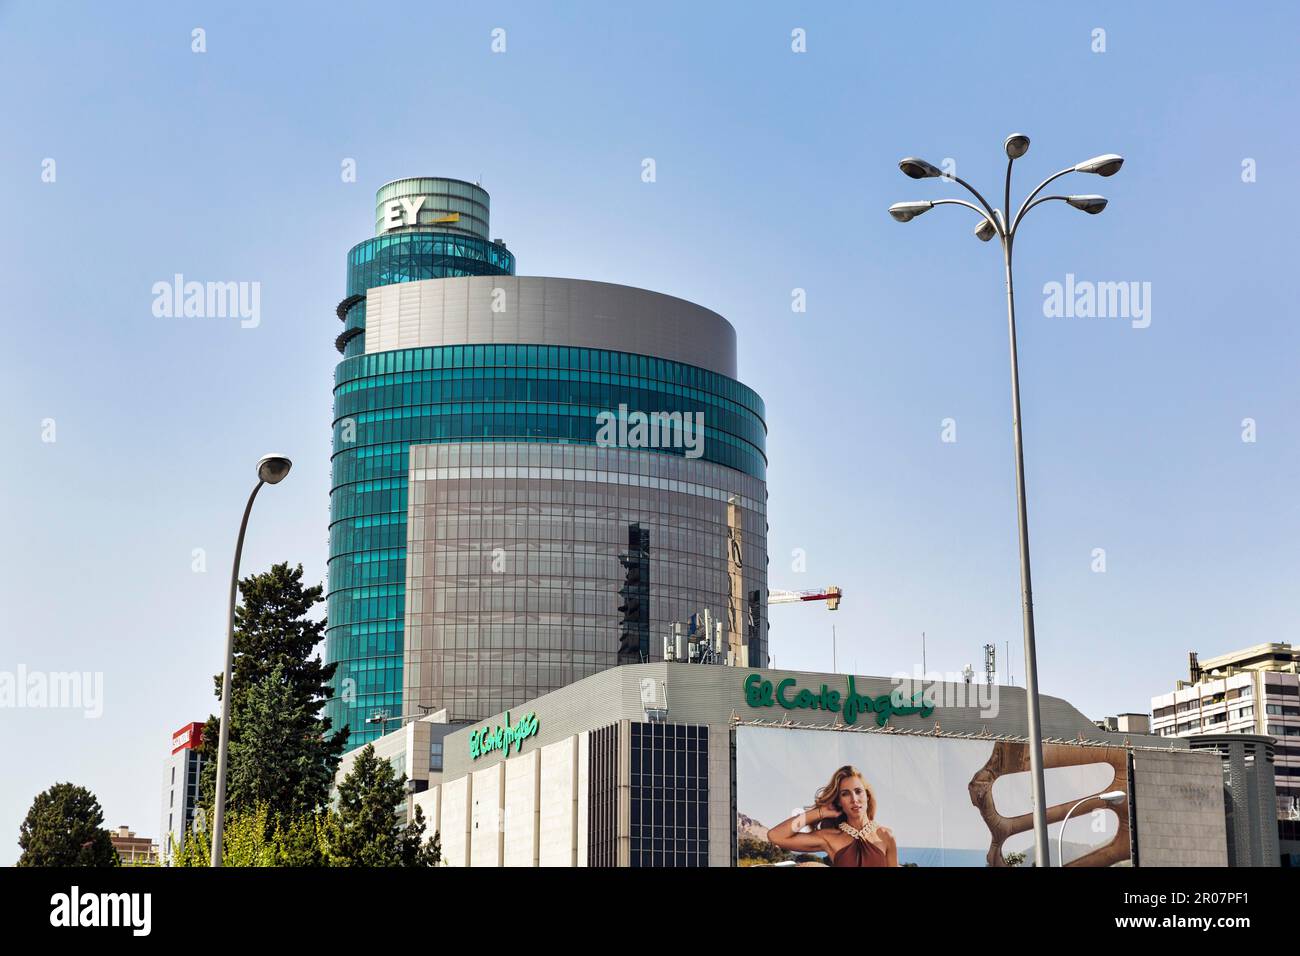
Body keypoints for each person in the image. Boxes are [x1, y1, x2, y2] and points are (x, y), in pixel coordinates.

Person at [766, 765, 899, 867]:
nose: (854, 799)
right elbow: (776, 836)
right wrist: (819, 813)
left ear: (867, 796)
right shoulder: (830, 838)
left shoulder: (886, 836)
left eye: (858, 791)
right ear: (839, 801)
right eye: (845, 794)